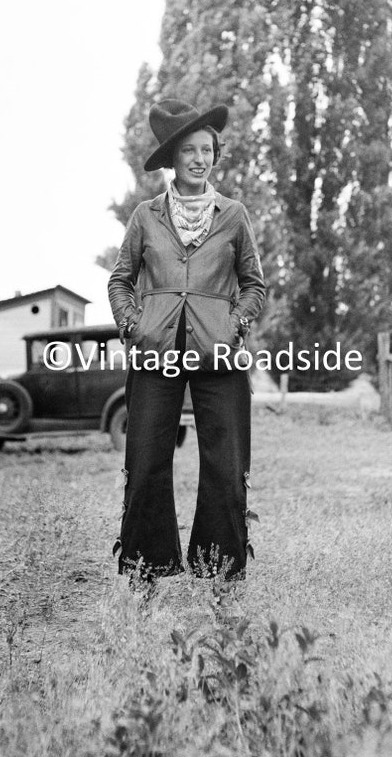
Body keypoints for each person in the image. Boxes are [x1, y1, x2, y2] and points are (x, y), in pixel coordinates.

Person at [108, 98, 266, 585]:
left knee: (225, 466)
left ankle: (222, 576)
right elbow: (120, 280)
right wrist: (134, 325)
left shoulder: (233, 215)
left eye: (207, 150)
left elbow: (254, 285)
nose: (200, 159)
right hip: (155, 353)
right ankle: (144, 573)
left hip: (220, 355)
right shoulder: (146, 216)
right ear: (172, 159)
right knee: (146, 463)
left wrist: (234, 324)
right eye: (189, 151)